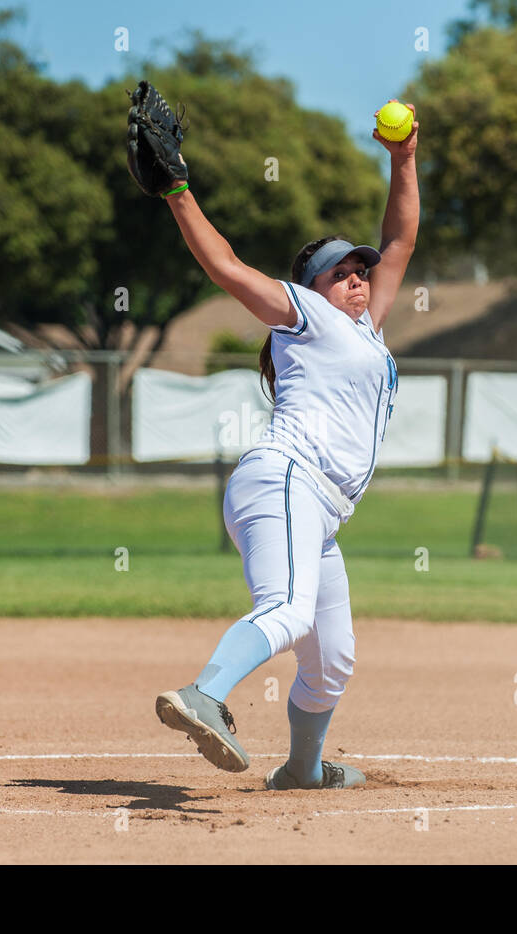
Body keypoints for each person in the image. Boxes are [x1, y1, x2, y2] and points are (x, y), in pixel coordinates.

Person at [154, 102, 419, 790]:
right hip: (284, 480)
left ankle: (302, 768)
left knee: (330, 659)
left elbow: (399, 242)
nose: (358, 276)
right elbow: (226, 266)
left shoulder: (365, 331)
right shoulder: (305, 318)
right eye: (341, 272)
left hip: (319, 509)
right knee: (288, 609)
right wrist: (179, 192)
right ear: (312, 289)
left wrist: (404, 158)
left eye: (360, 270)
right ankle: (203, 693)